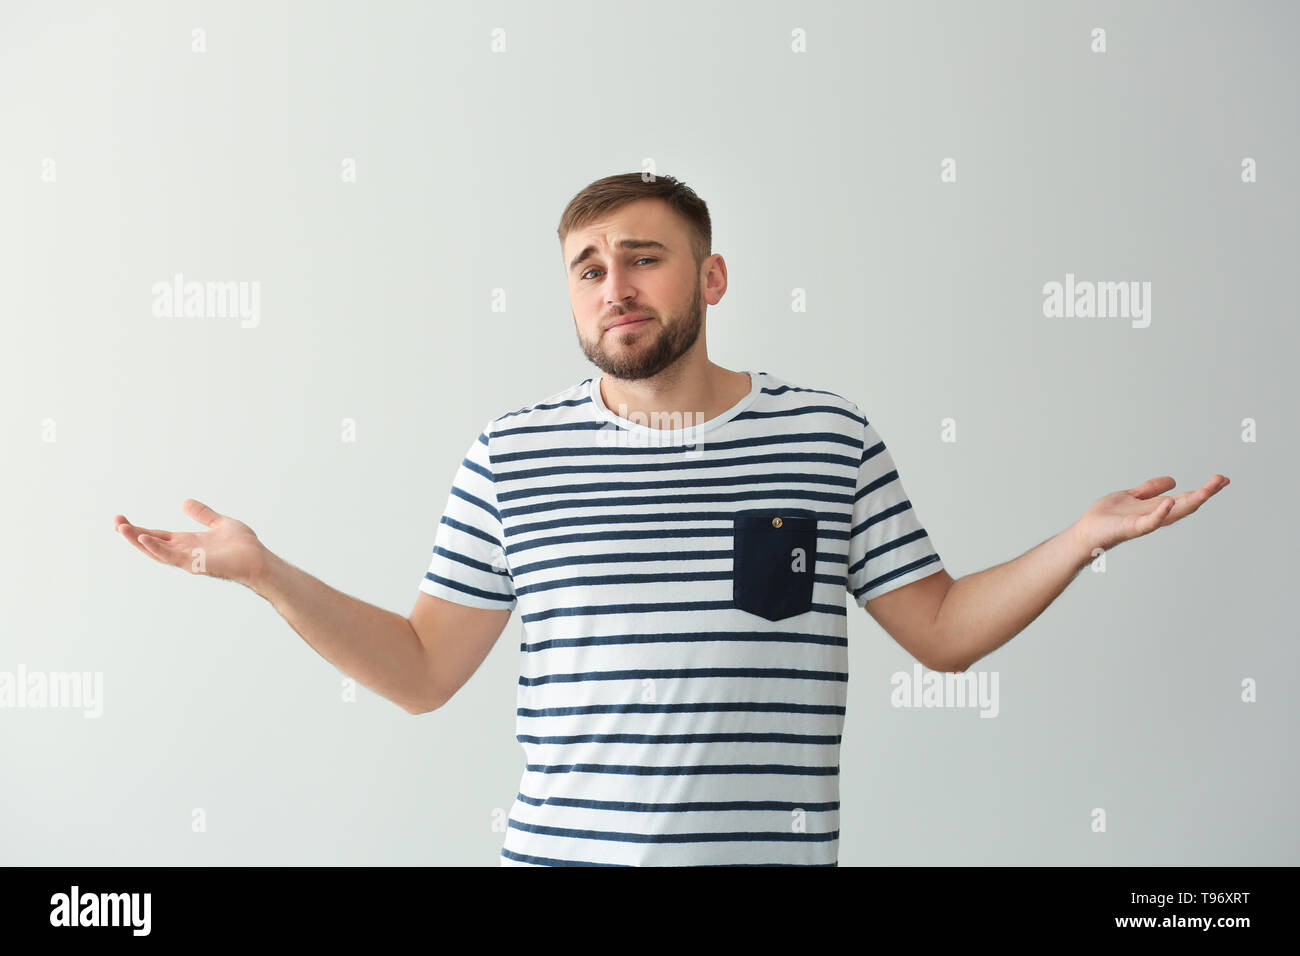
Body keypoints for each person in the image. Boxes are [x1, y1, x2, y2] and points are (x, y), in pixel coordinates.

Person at [114, 172, 1229, 866]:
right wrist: (266, 571)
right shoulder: (512, 452)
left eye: (643, 256)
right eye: (588, 266)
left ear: (711, 273)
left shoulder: (828, 436)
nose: (616, 284)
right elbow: (420, 671)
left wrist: (1078, 541)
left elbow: (939, 630)